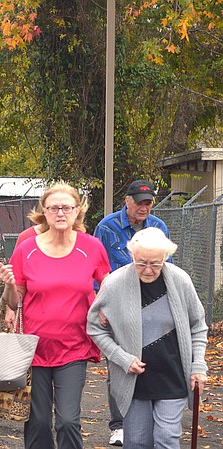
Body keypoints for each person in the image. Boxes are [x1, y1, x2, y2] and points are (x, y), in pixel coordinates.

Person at [0, 182, 111, 449]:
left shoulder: (92, 247)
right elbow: (15, 302)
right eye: (54, 208)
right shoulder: (26, 249)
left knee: (68, 421)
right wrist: (9, 285)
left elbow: (107, 284)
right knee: (37, 422)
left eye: (66, 208)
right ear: (44, 212)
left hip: (74, 347)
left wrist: (106, 309)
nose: (60, 213)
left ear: (77, 211)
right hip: (33, 348)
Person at [87, 227, 207, 449]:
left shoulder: (180, 280)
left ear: (165, 258)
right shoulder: (115, 283)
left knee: (167, 438)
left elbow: (198, 325)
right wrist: (122, 358)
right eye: (141, 263)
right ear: (132, 255)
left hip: (173, 375)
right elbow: (94, 327)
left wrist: (198, 364)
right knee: (137, 441)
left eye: (156, 264)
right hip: (134, 380)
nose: (149, 270)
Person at [93, 179, 171, 446]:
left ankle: (148, 420)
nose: (144, 207)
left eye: (148, 202)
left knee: (150, 361)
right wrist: (100, 304)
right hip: (118, 304)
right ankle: (119, 425)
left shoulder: (159, 228)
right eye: (139, 202)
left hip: (151, 304)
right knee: (119, 365)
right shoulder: (107, 227)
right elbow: (97, 268)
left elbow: (168, 268)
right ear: (127, 201)